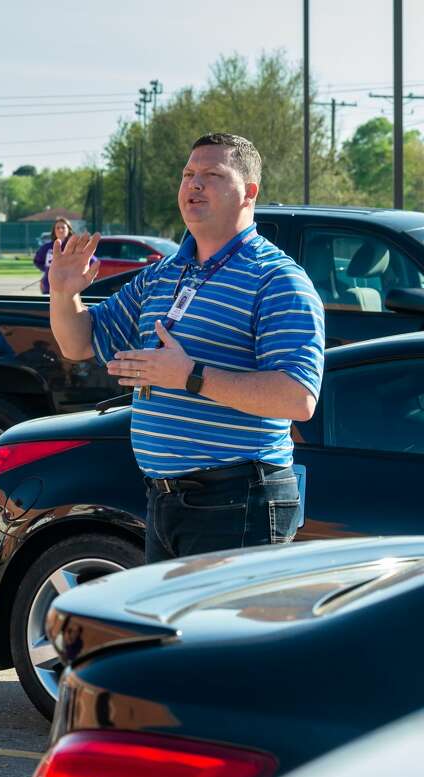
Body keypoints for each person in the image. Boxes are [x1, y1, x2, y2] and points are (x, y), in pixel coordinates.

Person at [48, 132, 325, 562]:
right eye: (188, 174)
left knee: (221, 632)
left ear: (248, 192)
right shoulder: (162, 274)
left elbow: (298, 397)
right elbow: (79, 342)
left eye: (211, 175)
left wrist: (189, 376)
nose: (193, 184)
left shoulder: (277, 280)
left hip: (237, 500)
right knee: (178, 631)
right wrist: (64, 294)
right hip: (165, 499)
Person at [34, 217, 93, 295]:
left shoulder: (75, 247)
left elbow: (91, 260)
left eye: (63, 227)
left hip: (69, 288)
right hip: (49, 288)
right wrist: (47, 271)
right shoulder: (46, 247)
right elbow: (37, 261)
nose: (60, 230)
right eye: (57, 228)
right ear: (54, 231)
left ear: (68, 230)